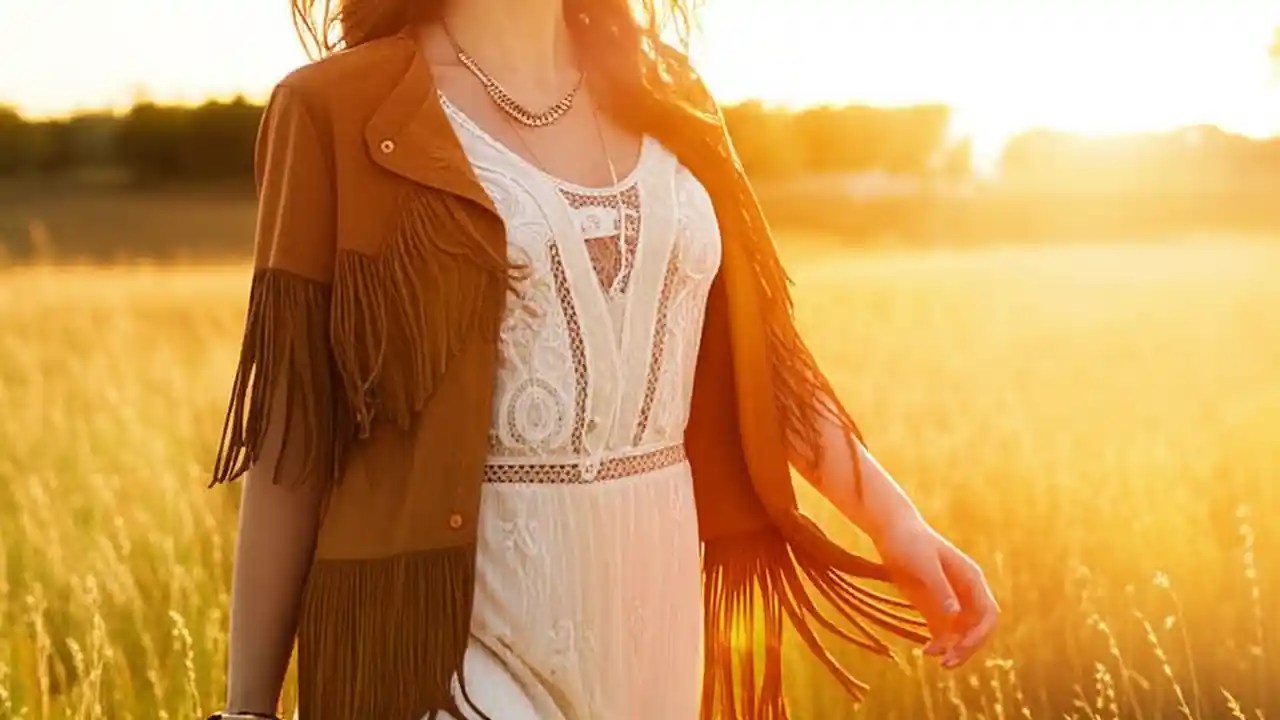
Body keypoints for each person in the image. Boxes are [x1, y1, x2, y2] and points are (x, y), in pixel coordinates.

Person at [206, 1, 999, 718]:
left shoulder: (667, 86)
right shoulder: (334, 108)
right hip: (448, 629)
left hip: (655, 616)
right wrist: (249, 711)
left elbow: (759, 354)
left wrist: (894, 520)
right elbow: (291, 439)